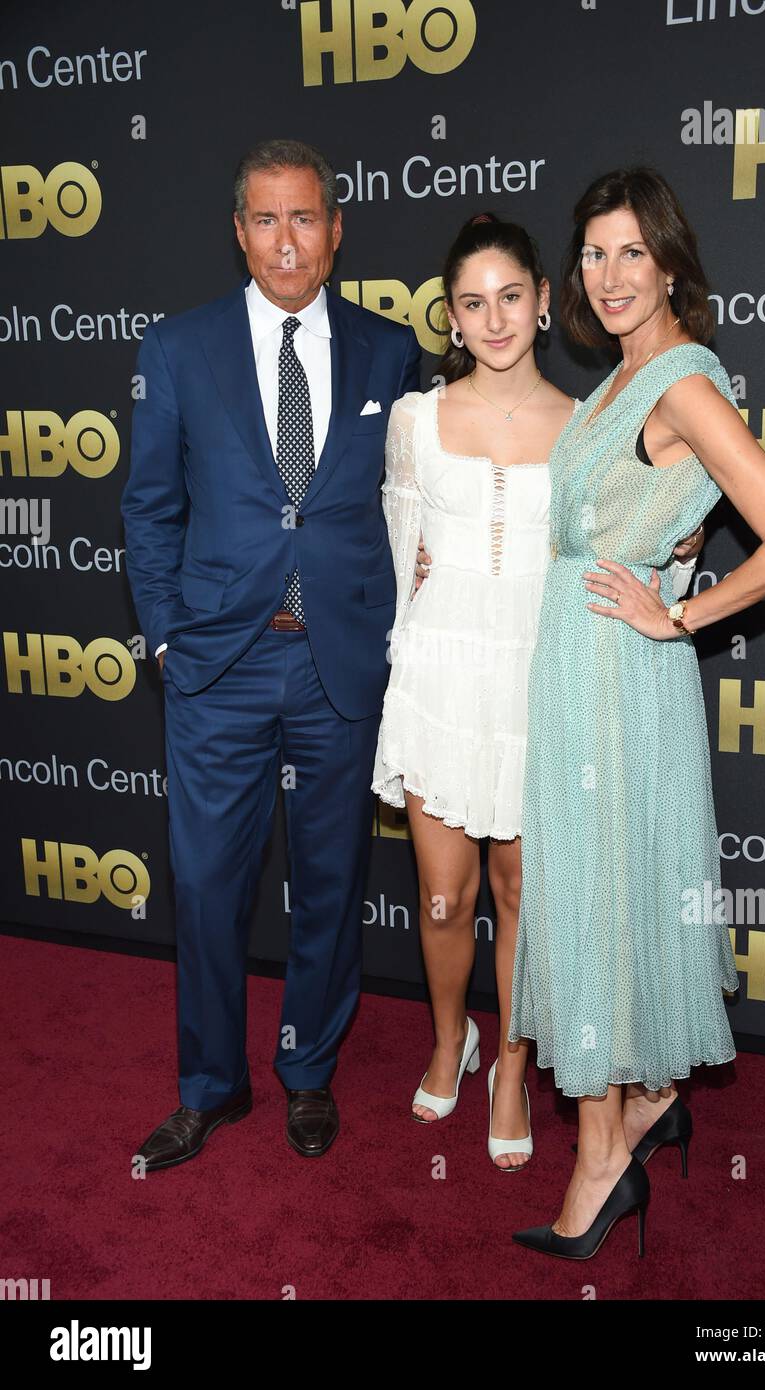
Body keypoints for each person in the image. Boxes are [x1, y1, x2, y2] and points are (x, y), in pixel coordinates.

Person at [507, 167, 765, 1257]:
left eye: (630, 252)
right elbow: (642, 509)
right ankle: (643, 1102)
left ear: (671, 261)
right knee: (608, 890)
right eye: (591, 254)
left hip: (612, 675)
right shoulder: (616, 380)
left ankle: (601, 1160)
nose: (607, 277)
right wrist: (676, 538)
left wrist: (680, 613)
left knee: (598, 899)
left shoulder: (680, 379)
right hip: (577, 670)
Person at [372, 213, 703, 1170]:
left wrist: (677, 557)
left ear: (544, 300)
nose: (496, 318)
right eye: (472, 304)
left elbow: (633, 536)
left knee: (523, 892)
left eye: (512, 296)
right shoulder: (416, 421)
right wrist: (406, 660)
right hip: (441, 674)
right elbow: (404, 553)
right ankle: (452, 1041)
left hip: (541, 673)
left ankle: (511, 1068)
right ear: (451, 317)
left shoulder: (589, 423)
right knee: (443, 899)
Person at [121, 138, 421, 1170]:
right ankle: (210, 1085)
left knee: (331, 883)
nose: (285, 241)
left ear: (336, 229)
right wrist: (165, 633)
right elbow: (150, 507)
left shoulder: (388, 352)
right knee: (206, 886)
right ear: (238, 231)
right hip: (217, 666)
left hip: (336, 662)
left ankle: (306, 1071)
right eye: (264, 219)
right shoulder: (178, 350)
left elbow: (408, 505)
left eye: (304, 218)